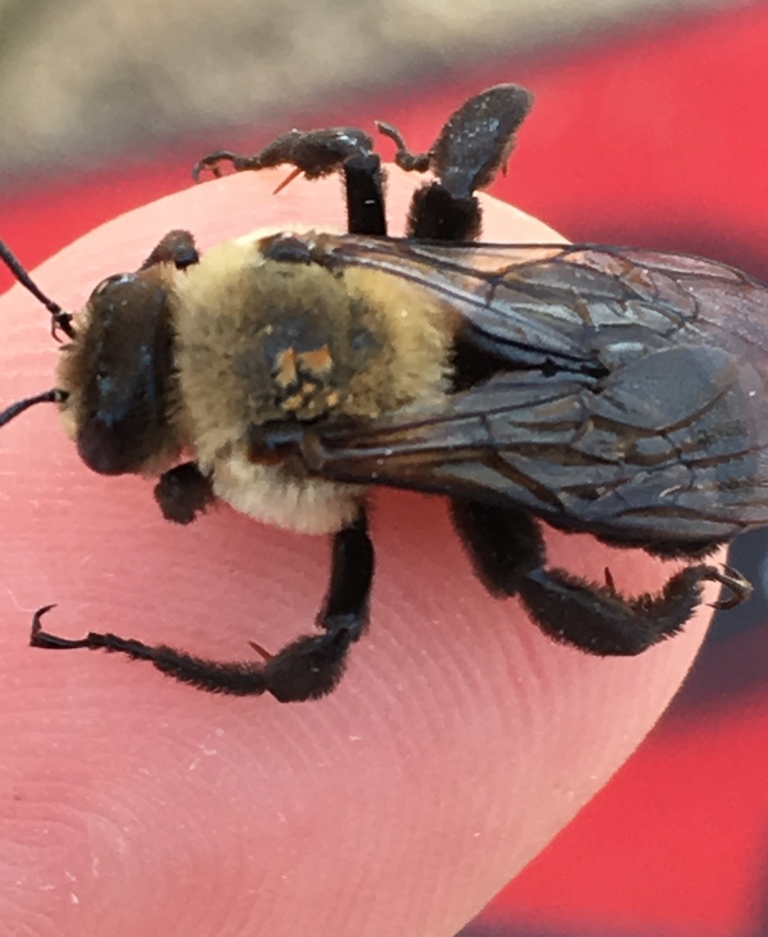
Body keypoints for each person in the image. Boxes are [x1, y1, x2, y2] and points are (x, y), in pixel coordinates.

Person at [0, 167, 716, 935]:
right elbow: (346, 152)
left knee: (368, 633)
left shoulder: (276, 441)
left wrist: (160, 554)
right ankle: (700, 584)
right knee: (394, 167)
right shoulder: (294, 258)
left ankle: (693, 590)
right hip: (579, 323)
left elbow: (182, 503)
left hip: (584, 439)